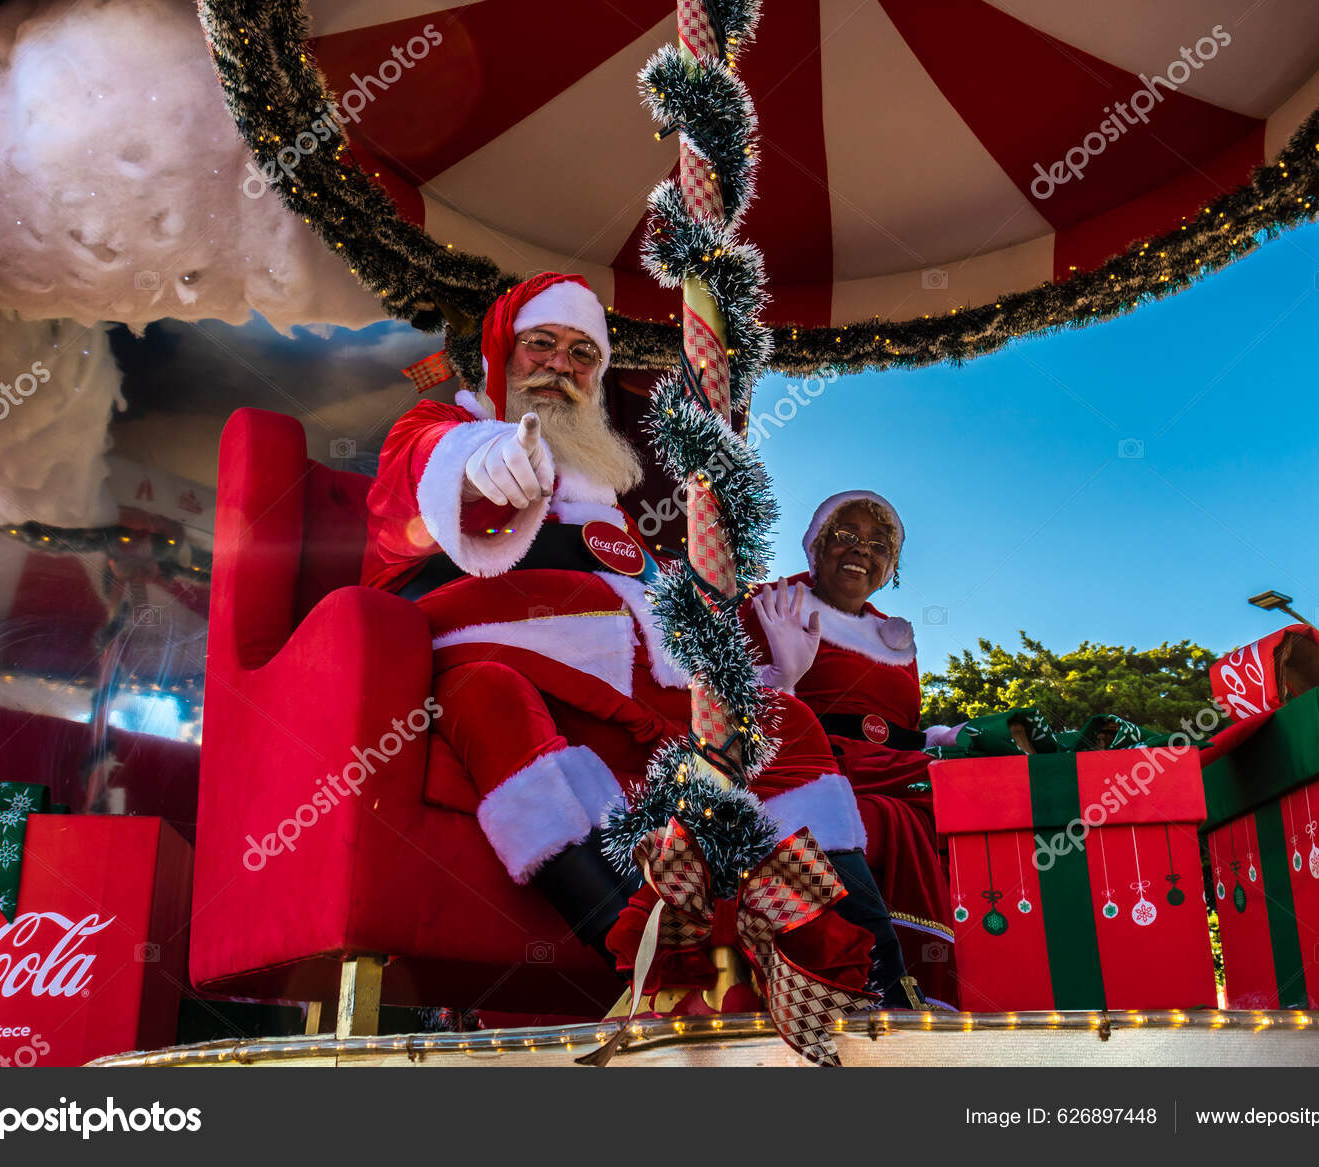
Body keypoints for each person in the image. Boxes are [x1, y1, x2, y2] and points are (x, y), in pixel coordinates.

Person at [363, 273, 881, 978]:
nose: (561, 366)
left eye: (583, 354)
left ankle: (870, 965)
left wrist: (768, 671)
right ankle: (654, 962)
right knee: (489, 699)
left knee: (784, 721)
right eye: (540, 344)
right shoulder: (440, 430)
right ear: (500, 354)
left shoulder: (608, 496)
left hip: (621, 687)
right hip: (497, 663)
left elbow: (668, 617)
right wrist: (482, 463)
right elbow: (414, 493)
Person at [744, 490, 958, 1009]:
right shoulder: (774, 603)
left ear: (891, 567)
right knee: (882, 814)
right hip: (814, 763)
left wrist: (937, 738)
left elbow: (900, 725)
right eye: (846, 536)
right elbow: (732, 700)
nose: (862, 549)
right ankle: (881, 981)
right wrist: (780, 680)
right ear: (815, 547)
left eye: (879, 543)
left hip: (897, 767)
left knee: (978, 797)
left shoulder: (894, 637)